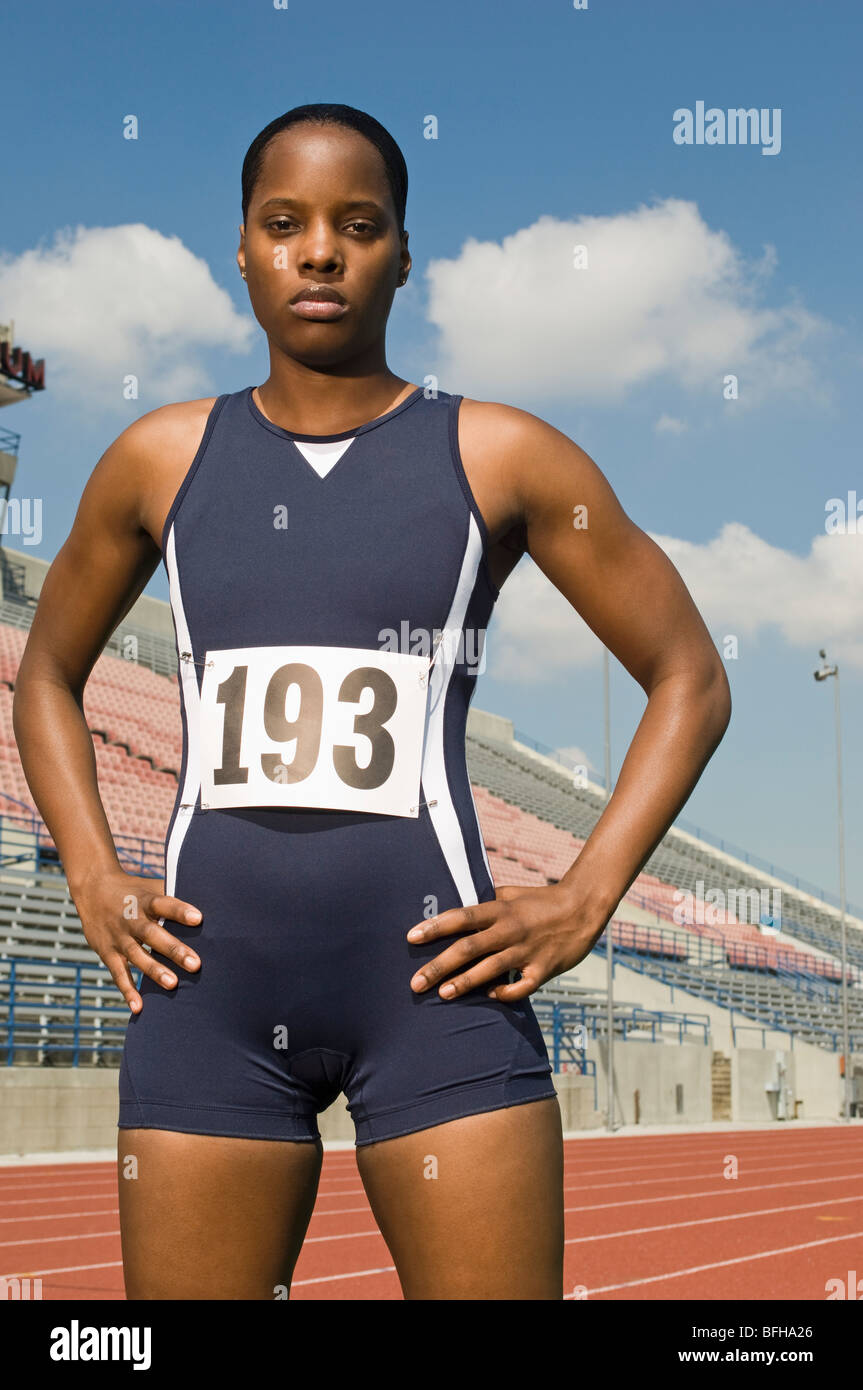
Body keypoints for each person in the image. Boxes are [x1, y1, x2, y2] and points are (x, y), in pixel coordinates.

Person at [13, 103, 731, 1301]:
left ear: (404, 253)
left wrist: (585, 894)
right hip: (210, 993)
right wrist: (90, 868)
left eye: (359, 224)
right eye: (283, 223)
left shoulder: (501, 454)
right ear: (240, 249)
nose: (319, 251)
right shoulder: (159, 458)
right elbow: (45, 673)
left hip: (436, 996)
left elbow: (688, 674)